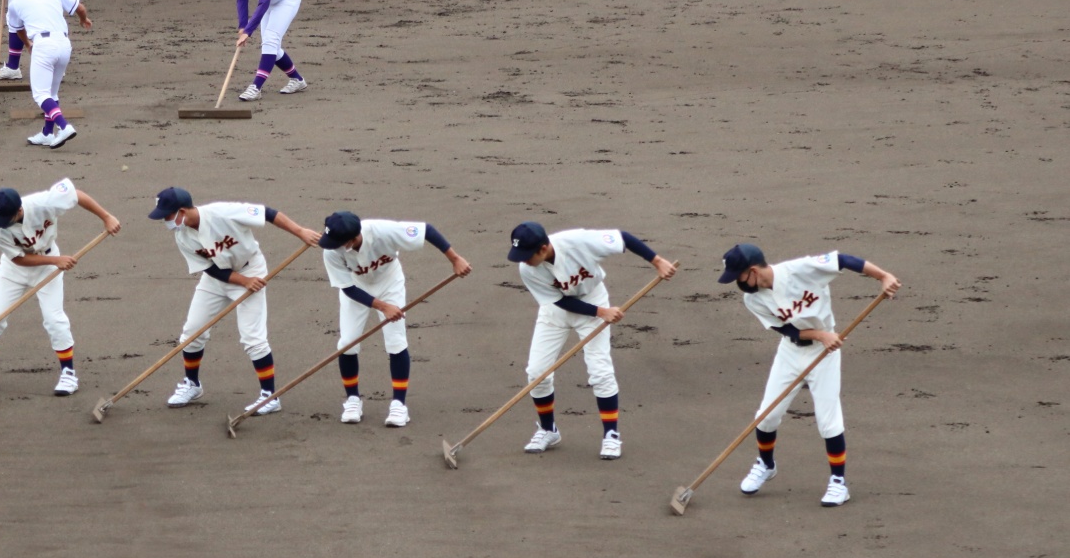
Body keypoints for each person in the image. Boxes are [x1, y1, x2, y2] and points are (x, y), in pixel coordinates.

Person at [717, 244, 900, 507]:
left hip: (825, 353)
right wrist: (820, 334)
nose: (738, 283)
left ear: (753, 271)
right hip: (791, 353)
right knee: (767, 416)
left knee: (828, 421)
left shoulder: (800, 269)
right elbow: (787, 331)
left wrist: (883, 276)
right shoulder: (753, 299)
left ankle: (838, 483)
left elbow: (843, 260)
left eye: (739, 276)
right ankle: (766, 465)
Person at [508, 221, 677, 459]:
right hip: (556, 312)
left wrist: (657, 261)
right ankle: (548, 430)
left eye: (527, 255)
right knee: (537, 373)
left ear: (543, 248)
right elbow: (559, 301)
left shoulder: (577, 242)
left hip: (593, 297)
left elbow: (623, 238)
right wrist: (601, 312)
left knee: (600, 371)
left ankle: (611, 435)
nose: (523, 261)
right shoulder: (527, 270)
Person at [147, 187, 320, 414]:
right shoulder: (183, 237)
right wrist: (242, 281)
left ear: (182, 211)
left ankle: (270, 396)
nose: (166, 221)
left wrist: (300, 232)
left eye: (168, 215)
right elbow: (210, 269)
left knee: (253, 338)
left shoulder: (222, 212)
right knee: (192, 333)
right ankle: (192, 384)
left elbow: (266, 213)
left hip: (251, 269)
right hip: (218, 279)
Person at [0, 179, 121, 396]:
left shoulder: (43, 203)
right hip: (15, 270)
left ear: (19, 210)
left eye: (5, 219)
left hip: (48, 265)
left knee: (54, 319)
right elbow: (18, 259)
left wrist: (106, 217)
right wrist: (56, 261)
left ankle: (68, 374)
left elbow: (76, 194)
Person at [318, 211, 472, 428]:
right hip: (357, 286)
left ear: (352, 238)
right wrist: (382, 306)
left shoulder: (382, 231)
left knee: (396, 340)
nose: (331, 245)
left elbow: (426, 231)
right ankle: (352, 399)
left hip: (390, 281)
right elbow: (348, 288)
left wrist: (455, 259)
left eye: (337, 241)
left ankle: (399, 404)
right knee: (347, 343)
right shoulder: (331, 251)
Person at [5, 0, 91, 148]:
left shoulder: (16, 3)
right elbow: (80, 8)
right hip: (64, 44)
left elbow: (18, 29)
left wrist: (28, 44)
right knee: (52, 93)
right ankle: (47, 133)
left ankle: (64, 126)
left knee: (41, 94)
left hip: (44, 46)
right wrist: (83, 20)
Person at [230, 0, 307, 101]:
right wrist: (243, 26)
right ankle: (297, 80)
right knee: (271, 46)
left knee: (271, 40)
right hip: (269, 3)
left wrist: (249, 32)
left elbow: (264, 2)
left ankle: (256, 87)